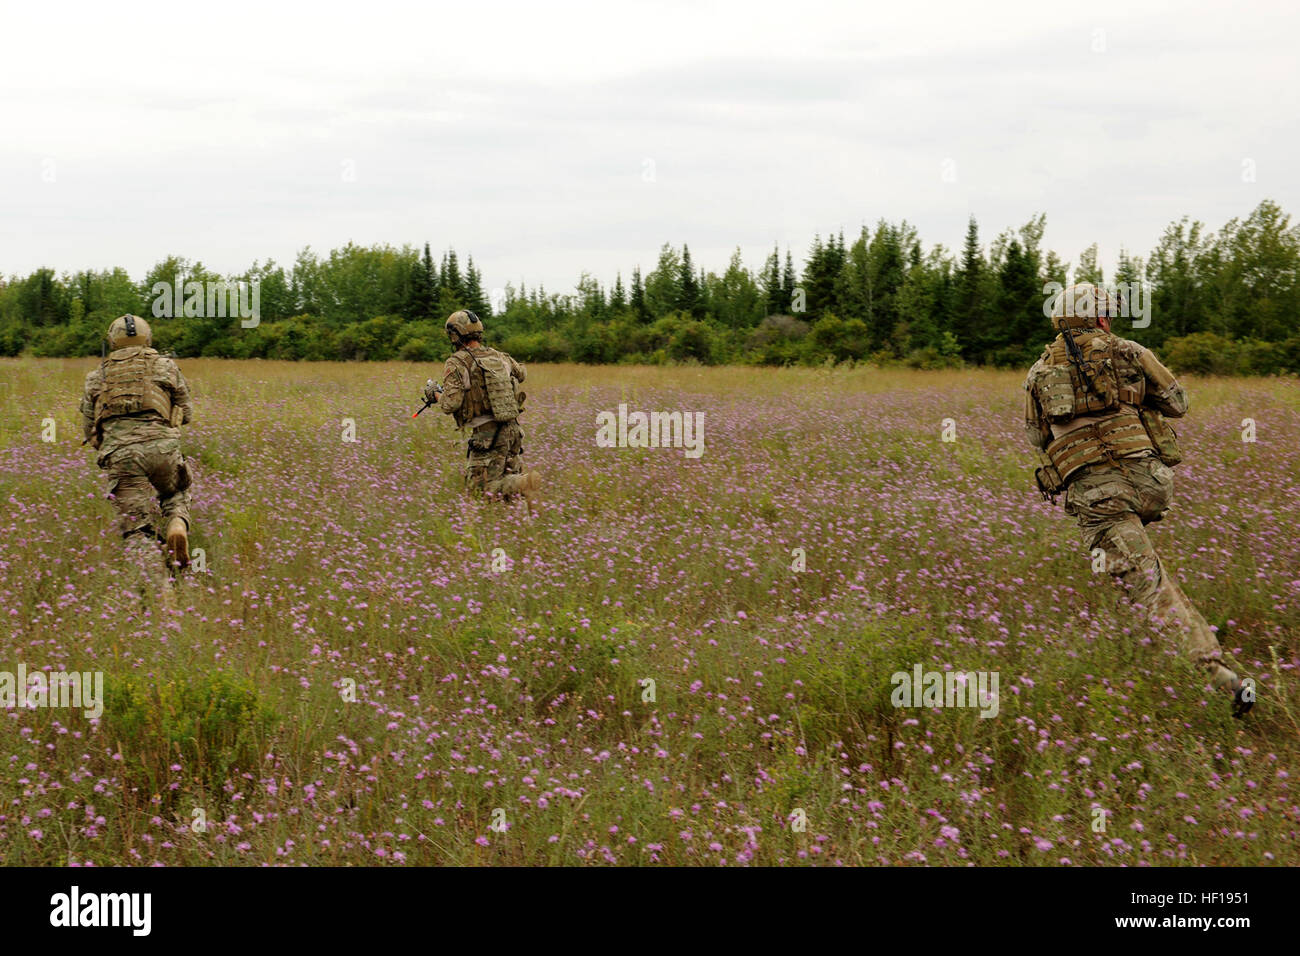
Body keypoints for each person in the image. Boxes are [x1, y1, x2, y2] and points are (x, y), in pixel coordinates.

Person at [1023, 283, 1252, 717]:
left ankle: (1220, 677)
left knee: (1147, 585)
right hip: (1150, 482)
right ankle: (1157, 646)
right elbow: (1178, 403)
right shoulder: (1129, 350)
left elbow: (1036, 437)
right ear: (1100, 318)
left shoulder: (1037, 374)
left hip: (1100, 497)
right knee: (1146, 575)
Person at [80, 315, 194, 572]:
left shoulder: (97, 375)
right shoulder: (166, 366)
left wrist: (111, 449)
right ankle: (176, 522)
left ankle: (159, 595)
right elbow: (186, 413)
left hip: (121, 455)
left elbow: (89, 429)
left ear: (112, 340)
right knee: (177, 492)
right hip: (162, 447)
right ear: (148, 337)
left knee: (136, 531)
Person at [422, 310, 540, 502]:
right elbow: (521, 374)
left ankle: (524, 484)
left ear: (455, 334)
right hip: (513, 430)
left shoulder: (457, 362)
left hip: (486, 435)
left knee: (480, 489)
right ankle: (516, 514)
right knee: (505, 495)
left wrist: (435, 393)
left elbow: (450, 404)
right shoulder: (499, 356)